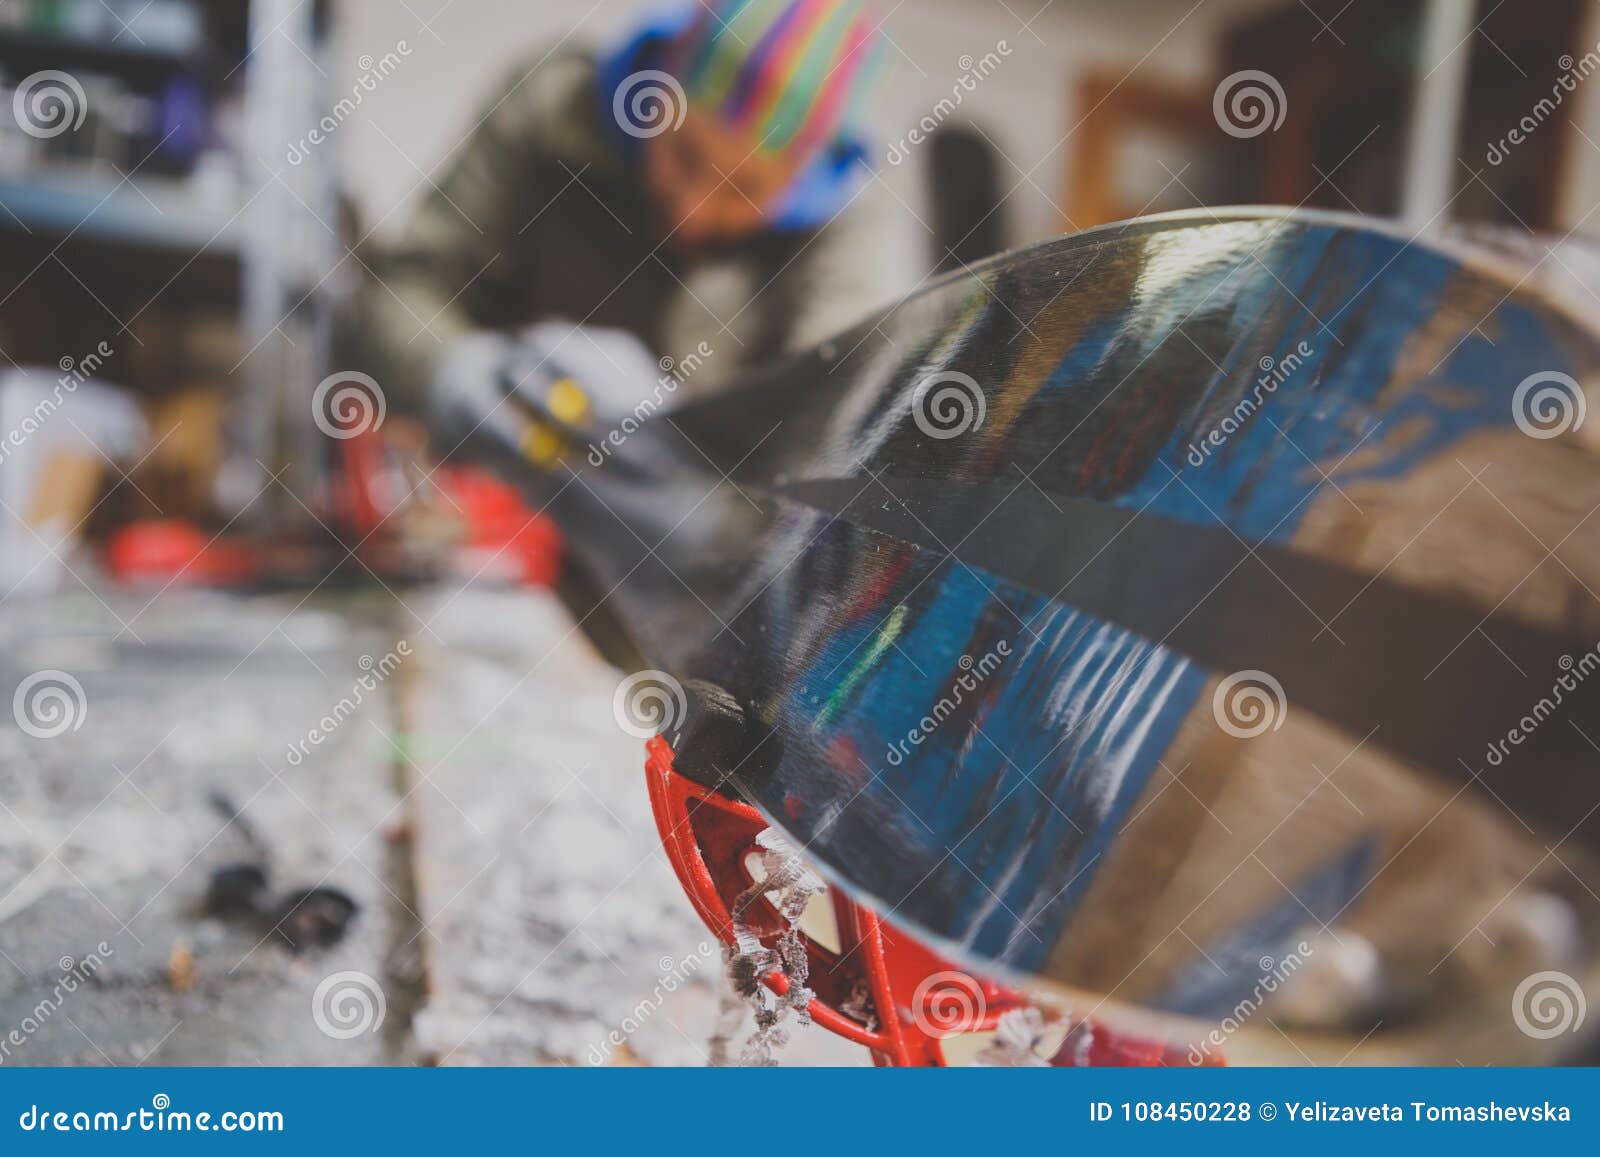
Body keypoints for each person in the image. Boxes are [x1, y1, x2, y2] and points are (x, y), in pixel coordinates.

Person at [353, 0, 916, 438]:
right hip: (493, 519)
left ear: (801, 179)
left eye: (742, 190)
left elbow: (838, 421)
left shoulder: (853, 224)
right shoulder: (553, 104)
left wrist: (681, 452)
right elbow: (408, 287)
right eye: (685, 155)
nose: (692, 210)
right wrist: (458, 375)